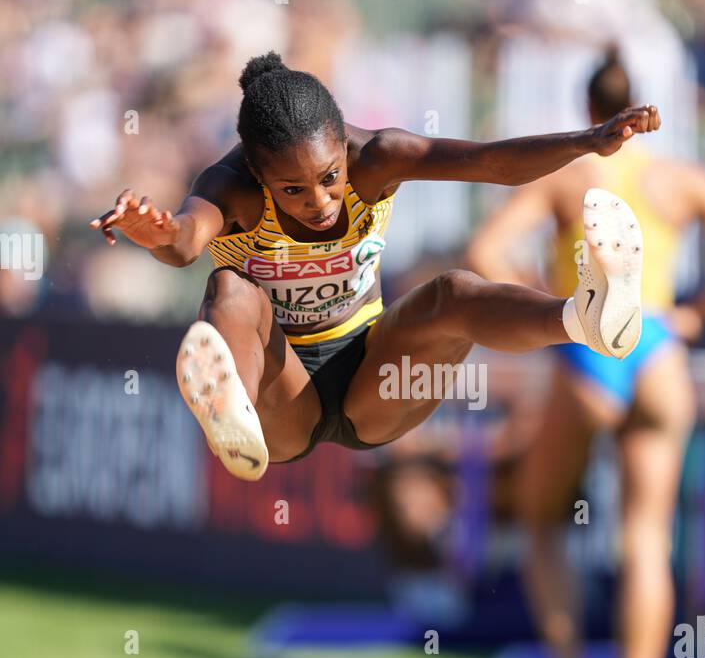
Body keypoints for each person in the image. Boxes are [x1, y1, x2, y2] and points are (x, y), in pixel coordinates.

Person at [91, 51, 659, 478]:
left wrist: (589, 140)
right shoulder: (229, 188)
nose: (319, 202)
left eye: (329, 176)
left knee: (454, 291)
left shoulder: (379, 157)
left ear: (343, 145)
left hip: (379, 381)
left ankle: (583, 319)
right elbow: (186, 243)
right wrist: (158, 231)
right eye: (292, 190)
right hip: (285, 403)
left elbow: (493, 164)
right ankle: (231, 420)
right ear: (258, 176)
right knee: (229, 289)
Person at [467, 48, 705, 658]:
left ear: (588, 112)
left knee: (543, 521)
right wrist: (700, 313)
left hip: (591, 350)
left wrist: (549, 312)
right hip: (658, 345)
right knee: (645, 539)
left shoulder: (566, 175)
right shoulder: (679, 179)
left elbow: (485, 249)